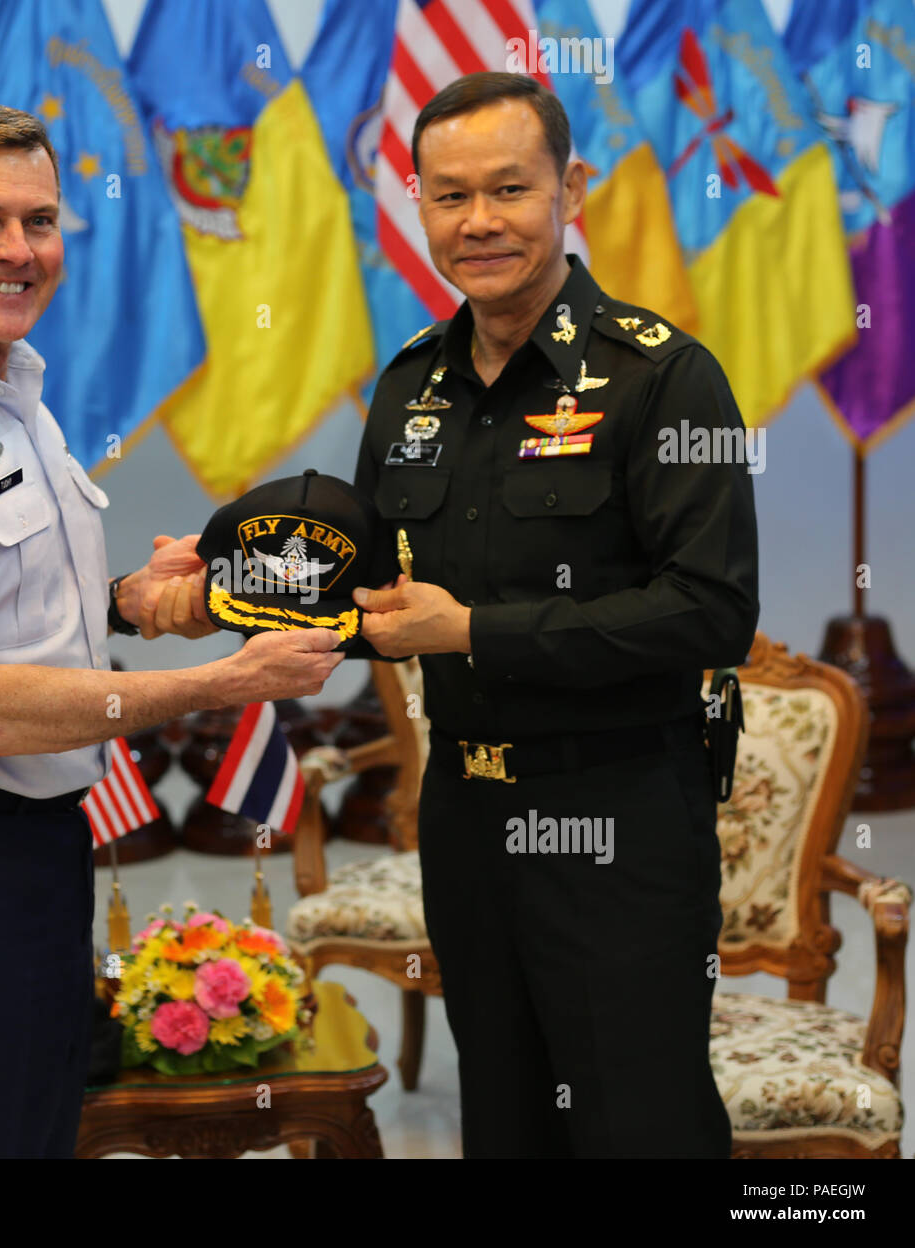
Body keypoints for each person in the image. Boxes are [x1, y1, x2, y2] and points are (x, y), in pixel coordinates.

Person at [0, 102, 343, 1160]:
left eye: (39, 221)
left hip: (25, 856)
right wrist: (221, 683)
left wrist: (127, 597)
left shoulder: (2, 388)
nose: (16, 250)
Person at [350, 74, 758, 1158]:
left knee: (638, 1124)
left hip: (617, 812)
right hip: (465, 818)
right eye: (447, 196)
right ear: (419, 205)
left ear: (570, 189)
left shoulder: (661, 378)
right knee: (507, 1117)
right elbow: (368, 586)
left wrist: (477, 632)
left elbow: (710, 612)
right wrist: (212, 588)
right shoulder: (408, 388)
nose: (477, 221)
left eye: (508, 188)